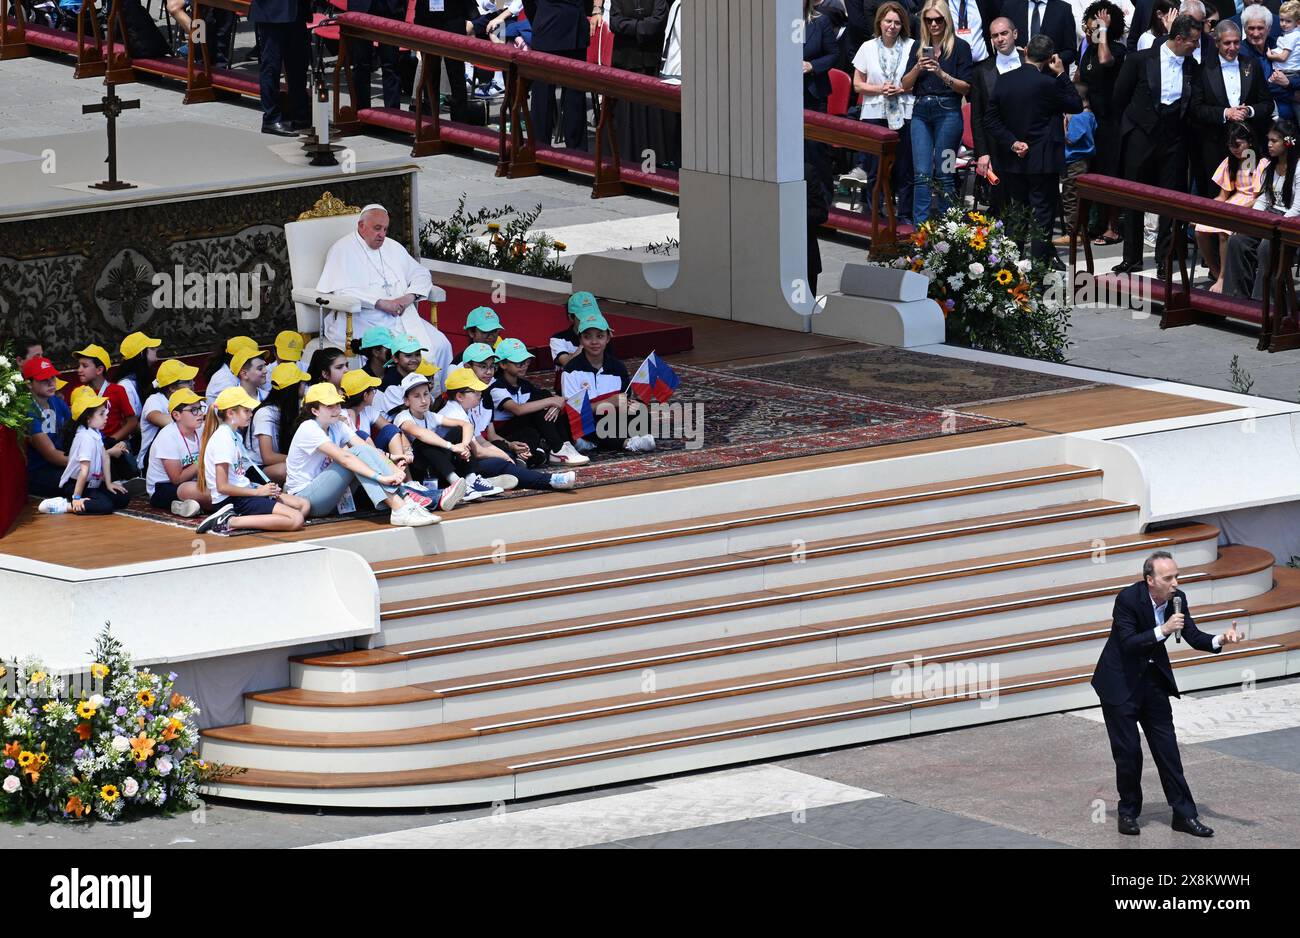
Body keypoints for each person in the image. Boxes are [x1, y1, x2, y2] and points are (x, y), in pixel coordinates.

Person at [1091, 551, 1244, 837]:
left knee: (1168, 750)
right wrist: (1163, 629)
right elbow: (1129, 643)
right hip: (1119, 684)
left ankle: (1184, 815)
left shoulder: (1178, 599)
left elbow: (1193, 636)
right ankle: (1128, 813)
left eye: (1177, 576)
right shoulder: (1127, 599)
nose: (1176, 582)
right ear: (1150, 580)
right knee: (1129, 753)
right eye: (1168, 577)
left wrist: (1220, 639)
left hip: (1153, 683)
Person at [315, 204, 454, 384]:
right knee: (393, 353)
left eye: (385, 229)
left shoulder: (392, 247)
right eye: (377, 228)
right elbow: (341, 291)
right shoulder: (342, 249)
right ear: (361, 226)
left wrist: (408, 298)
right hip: (364, 318)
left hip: (402, 315)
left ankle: (437, 398)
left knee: (441, 345)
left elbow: (421, 273)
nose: (382, 234)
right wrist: (380, 303)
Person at [284, 383, 450, 524]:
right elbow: (345, 458)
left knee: (363, 451)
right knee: (354, 454)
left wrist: (393, 469)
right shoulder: (308, 428)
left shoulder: (337, 426)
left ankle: (406, 502)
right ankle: (401, 507)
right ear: (314, 411)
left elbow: (368, 450)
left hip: (332, 496)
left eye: (338, 404)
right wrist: (381, 477)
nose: (336, 409)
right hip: (306, 499)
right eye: (329, 406)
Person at [1112, 14, 1201, 274]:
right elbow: (1119, 98)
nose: (1196, 46)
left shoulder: (1191, 66)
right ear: (1179, 38)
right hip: (1141, 135)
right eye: (1193, 42)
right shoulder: (1140, 60)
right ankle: (1132, 257)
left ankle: (1165, 257)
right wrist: (1132, 128)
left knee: (1170, 200)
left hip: (1174, 138)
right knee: (1134, 197)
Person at [984, 35, 1083, 268]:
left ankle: (1009, 268)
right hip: (1042, 161)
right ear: (1050, 58)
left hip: (1014, 159)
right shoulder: (1049, 84)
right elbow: (1076, 104)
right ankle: (1036, 272)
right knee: (1042, 217)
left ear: (1025, 51)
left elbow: (990, 119)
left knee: (1017, 213)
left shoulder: (1005, 80)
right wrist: (1061, 74)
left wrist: (1012, 142)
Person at [196, 387, 309, 535]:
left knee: (303, 505)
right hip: (233, 500)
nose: (251, 414)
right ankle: (229, 521)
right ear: (230, 413)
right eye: (246, 411)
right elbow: (222, 487)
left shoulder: (233, 435)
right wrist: (257, 492)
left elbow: (237, 477)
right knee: (296, 519)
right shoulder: (223, 438)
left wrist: (261, 488)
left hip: (244, 494)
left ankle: (246, 518)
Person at [901, 0, 974, 224]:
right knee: (921, 175)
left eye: (938, 19)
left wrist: (942, 74)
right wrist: (917, 67)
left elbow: (966, 86)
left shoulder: (960, 47)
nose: (933, 24)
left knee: (946, 173)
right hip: (921, 112)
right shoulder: (918, 47)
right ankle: (920, 234)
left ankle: (948, 232)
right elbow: (904, 85)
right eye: (928, 19)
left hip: (949, 112)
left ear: (946, 20)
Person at [850, 2, 917, 225]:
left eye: (897, 22)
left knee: (904, 168)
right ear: (880, 22)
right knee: (875, 169)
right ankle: (874, 213)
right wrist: (881, 88)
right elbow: (857, 85)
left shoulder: (911, 46)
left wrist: (901, 88)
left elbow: (919, 81)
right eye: (888, 21)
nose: (892, 26)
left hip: (904, 112)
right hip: (874, 111)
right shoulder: (867, 47)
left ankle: (905, 215)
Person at [1190, 20, 1273, 200]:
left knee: (1248, 191)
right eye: (1227, 43)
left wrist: (1249, 111)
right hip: (1214, 143)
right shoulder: (1203, 68)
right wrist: (1225, 113)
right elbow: (1196, 109)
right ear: (1217, 42)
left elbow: (1267, 104)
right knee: (1215, 194)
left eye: (1236, 42)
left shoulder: (1252, 64)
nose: (1233, 47)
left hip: (1248, 146)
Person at [1222, 120, 1300, 298]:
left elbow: (1297, 208)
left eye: (1275, 141)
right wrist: (1253, 220)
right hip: (1269, 217)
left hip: (1289, 222)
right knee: (1238, 240)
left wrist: (1275, 226)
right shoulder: (1270, 167)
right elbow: (1264, 198)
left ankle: (1264, 300)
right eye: (1269, 140)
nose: (1269, 145)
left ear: (1287, 143)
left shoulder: (1298, 169)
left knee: (1267, 246)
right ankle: (1236, 296)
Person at [561, 308, 656, 453]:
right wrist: (609, 402)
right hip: (587, 420)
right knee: (573, 423)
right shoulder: (571, 371)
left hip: (612, 418)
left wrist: (631, 405)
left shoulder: (618, 368)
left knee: (641, 413)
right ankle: (628, 443)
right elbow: (573, 411)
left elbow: (624, 401)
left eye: (600, 336)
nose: (594, 342)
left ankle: (594, 443)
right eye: (587, 337)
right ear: (580, 339)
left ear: (608, 338)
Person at [490, 337, 590, 466]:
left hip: (525, 427)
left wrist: (555, 403)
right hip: (506, 432)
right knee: (544, 399)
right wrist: (551, 401)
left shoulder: (525, 384)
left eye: (527, 361)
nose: (525, 365)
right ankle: (557, 448)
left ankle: (564, 445)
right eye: (519, 363)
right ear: (503, 365)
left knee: (544, 395)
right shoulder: (496, 388)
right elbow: (517, 409)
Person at [1075, 1, 1128, 245]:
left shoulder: (1115, 49)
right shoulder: (1087, 50)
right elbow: (1081, 79)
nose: (1091, 30)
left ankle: (1112, 227)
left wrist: (1104, 31)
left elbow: (1105, 61)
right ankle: (1087, 224)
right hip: (1091, 121)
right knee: (1090, 172)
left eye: (1095, 25)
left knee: (1110, 174)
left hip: (1111, 122)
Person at [1194, 123, 1266, 291]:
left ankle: (1223, 278)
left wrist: (1237, 209)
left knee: (1224, 232)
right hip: (1232, 203)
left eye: (1238, 144)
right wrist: (1210, 209)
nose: (1235, 149)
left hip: (1251, 205)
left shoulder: (1261, 163)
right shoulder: (1229, 162)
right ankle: (1216, 271)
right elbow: (1222, 195)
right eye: (1231, 145)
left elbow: (1258, 197)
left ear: (1250, 142)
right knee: (1200, 229)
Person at [969, 16, 1023, 214]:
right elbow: (977, 116)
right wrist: (982, 152)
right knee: (1000, 203)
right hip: (995, 147)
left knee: (1025, 202)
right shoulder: (982, 71)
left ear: (1015, 34)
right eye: (995, 36)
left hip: (1027, 145)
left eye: (1004, 33)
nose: (1000, 39)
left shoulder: (1030, 63)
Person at [523, 0, 593, 149]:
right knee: (568, 96)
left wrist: (540, 19)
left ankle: (540, 147)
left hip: (549, 26)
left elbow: (529, 5)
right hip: (567, 27)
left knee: (550, 96)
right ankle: (576, 151)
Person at [609, 0, 671, 163]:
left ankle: (651, 162)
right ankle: (627, 158)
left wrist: (632, 26)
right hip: (626, 61)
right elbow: (615, 23)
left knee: (651, 117)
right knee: (627, 115)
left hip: (650, 61)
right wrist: (641, 27)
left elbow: (658, 22)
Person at [67, 343, 140, 482]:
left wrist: (113, 439)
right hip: (90, 442)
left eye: (84, 366)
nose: (79, 370)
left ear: (99, 369)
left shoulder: (117, 390)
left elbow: (132, 421)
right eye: (79, 365)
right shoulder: (78, 393)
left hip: (114, 440)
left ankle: (129, 478)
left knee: (122, 451)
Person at [59, 388, 132, 515]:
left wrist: (109, 483)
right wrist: (76, 498)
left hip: (92, 483)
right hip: (76, 485)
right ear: (88, 419)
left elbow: (105, 458)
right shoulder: (85, 438)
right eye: (102, 414)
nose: (106, 416)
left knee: (122, 498)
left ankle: (89, 500)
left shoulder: (95, 432)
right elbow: (83, 471)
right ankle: (67, 506)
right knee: (105, 506)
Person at [248, 0, 310, 136]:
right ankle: (271, 119)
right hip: (273, 11)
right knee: (271, 66)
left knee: (298, 65)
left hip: (296, 10)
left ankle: (301, 115)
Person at [145, 388, 209, 518]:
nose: (200, 414)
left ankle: (186, 505)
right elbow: (177, 479)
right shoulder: (167, 437)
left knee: (217, 486)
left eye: (200, 408)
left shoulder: (200, 428)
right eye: (193, 410)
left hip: (191, 481)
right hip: (163, 487)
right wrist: (202, 460)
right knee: (208, 493)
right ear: (176, 415)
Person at [413, 0, 475, 121]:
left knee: (456, 72)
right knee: (430, 73)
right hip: (428, 16)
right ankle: (430, 122)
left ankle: (460, 124)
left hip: (453, 16)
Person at [251, 362, 311, 485]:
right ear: (293, 387)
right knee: (286, 470)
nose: (304, 386)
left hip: (276, 464)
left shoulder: (288, 409)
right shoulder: (265, 413)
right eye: (302, 383)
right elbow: (267, 457)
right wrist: (300, 458)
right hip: (256, 468)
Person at [22, 356, 71, 498]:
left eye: (52, 378)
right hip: (40, 470)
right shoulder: (27, 410)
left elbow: (75, 430)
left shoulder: (57, 401)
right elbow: (50, 454)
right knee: (74, 480)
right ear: (29, 383)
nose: (51, 383)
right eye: (44, 380)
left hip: (62, 461)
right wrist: (84, 463)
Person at [347, 0, 404, 112]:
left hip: (390, 8)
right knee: (361, 64)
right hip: (361, 7)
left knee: (391, 65)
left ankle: (392, 116)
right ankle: (361, 114)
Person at [1059, 84, 1097, 246]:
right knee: (1074, 196)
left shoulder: (1079, 117)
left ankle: (1073, 233)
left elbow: (1071, 139)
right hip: (1080, 162)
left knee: (1070, 197)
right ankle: (1078, 230)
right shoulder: (1090, 116)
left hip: (1075, 162)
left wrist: (1062, 125)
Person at [139, 359, 199, 460]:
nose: (193, 383)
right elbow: (158, 418)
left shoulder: (191, 400)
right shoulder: (155, 400)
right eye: (188, 381)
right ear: (172, 388)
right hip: (154, 460)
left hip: (184, 457)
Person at [1004, 0, 1079, 66]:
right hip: (1018, 72)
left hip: (1051, 76)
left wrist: (1049, 59)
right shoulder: (1010, 6)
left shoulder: (1063, 9)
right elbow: (1000, 40)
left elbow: (1070, 50)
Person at [114, 330, 160, 420]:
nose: (157, 349)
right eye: (152, 348)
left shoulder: (143, 377)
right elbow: (132, 423)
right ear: (142, 353)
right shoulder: (126, 386)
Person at [203, 335, 259, 405]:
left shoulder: (237, 372)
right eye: (252, 359)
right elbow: (242, 411)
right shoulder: (224, 381)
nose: (257, 361)